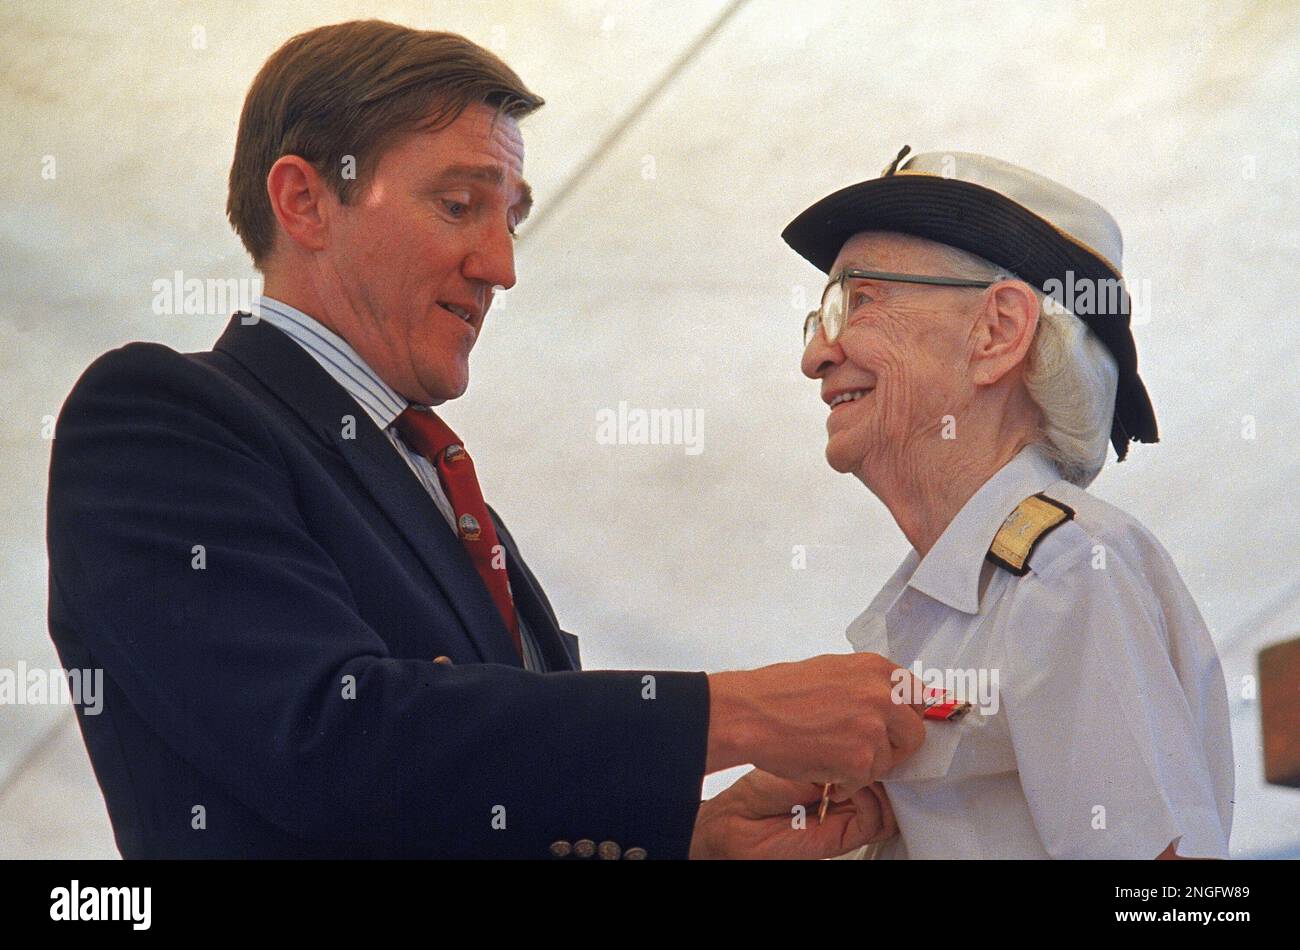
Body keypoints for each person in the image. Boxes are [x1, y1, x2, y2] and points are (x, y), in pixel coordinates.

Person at [44, 20, 925, 860]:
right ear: (305, 200)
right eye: (460, 205)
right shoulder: (158, 417)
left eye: (513, 218)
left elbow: (467, 791)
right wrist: (732, 714)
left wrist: (688, 840)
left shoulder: (437, 486)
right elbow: (329, 738)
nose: (502, 266)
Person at [785, 148, 1234, 859]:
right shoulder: (949, 601)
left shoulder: (1065, 572)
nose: (816, 355)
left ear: (995, 332)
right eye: (820, 318)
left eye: (859, 301)